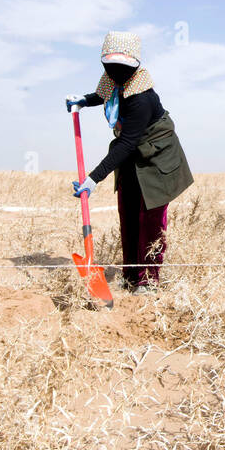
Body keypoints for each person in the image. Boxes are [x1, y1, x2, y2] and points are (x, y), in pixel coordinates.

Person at [67, 31, 193, 294]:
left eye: (122, 67)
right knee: (128, 211)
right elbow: (105, 95)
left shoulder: (141, 97)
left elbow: (126, 143)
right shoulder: (113, 81)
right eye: (110, 66)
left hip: (157, 157)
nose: (115, 72)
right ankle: (131, 274)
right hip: (132, 155)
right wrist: (84, 101)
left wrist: (93, 178)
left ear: (134, 65)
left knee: (150, 218)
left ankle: (148, 280)